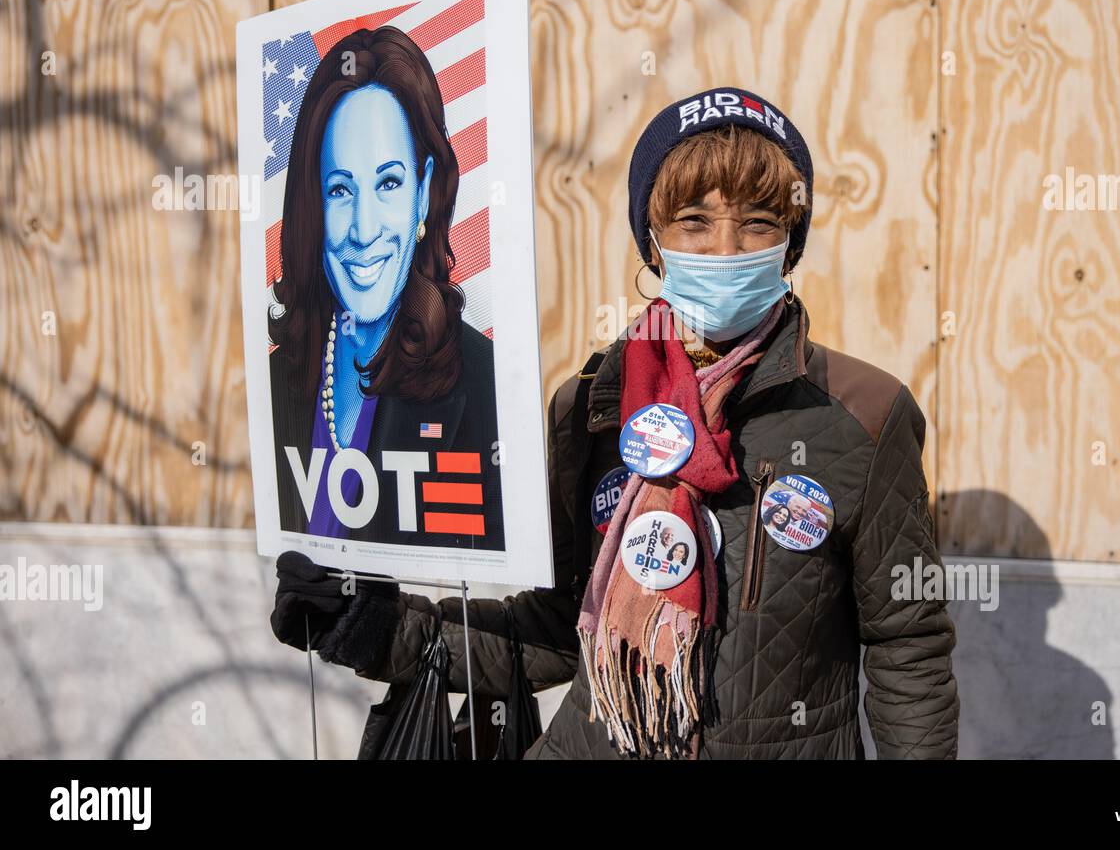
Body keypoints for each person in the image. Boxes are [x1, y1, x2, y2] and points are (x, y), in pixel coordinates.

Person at [271, 85, 960, 759]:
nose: (724, 248)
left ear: (790, 241)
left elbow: (908, 645)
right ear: (653, 243)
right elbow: (551, 630)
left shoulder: (864, 414)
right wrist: (371, 625)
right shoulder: (591, 409)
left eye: (757, 221)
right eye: (693, 219)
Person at [267, 26, 503, 550]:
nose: (364, 229)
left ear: (424, 192)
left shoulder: (484, 383)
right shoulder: (276, 380)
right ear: (313, 203)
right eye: (340, 189)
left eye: (389, 183)